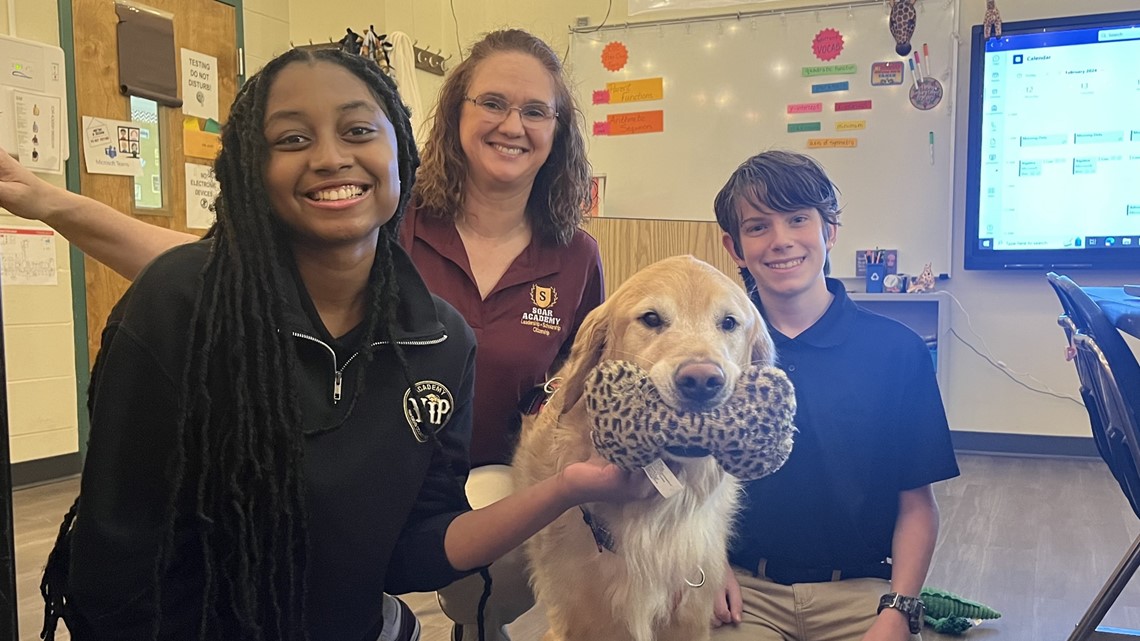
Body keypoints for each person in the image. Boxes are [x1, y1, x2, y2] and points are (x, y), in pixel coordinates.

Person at [23, 47, 648, 641]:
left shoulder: (444, 337)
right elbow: (117, 560)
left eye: (356, 132)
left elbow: (414, 546)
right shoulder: (183, 304)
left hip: (439, 518)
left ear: (398, 151)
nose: (329, 157)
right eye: (293, 138)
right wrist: (47, 200)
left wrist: (567, 485)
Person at [708, 150, 960, 641]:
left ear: (830, 230)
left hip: (862, 592)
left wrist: (899, 610)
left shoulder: (896, 350)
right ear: (734, 247)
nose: (781, 241)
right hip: (743, 591)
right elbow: (674, 478)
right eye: (758, 227)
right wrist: (705, 566)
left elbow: (917, 504)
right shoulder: (712, 353)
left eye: (798, 219)